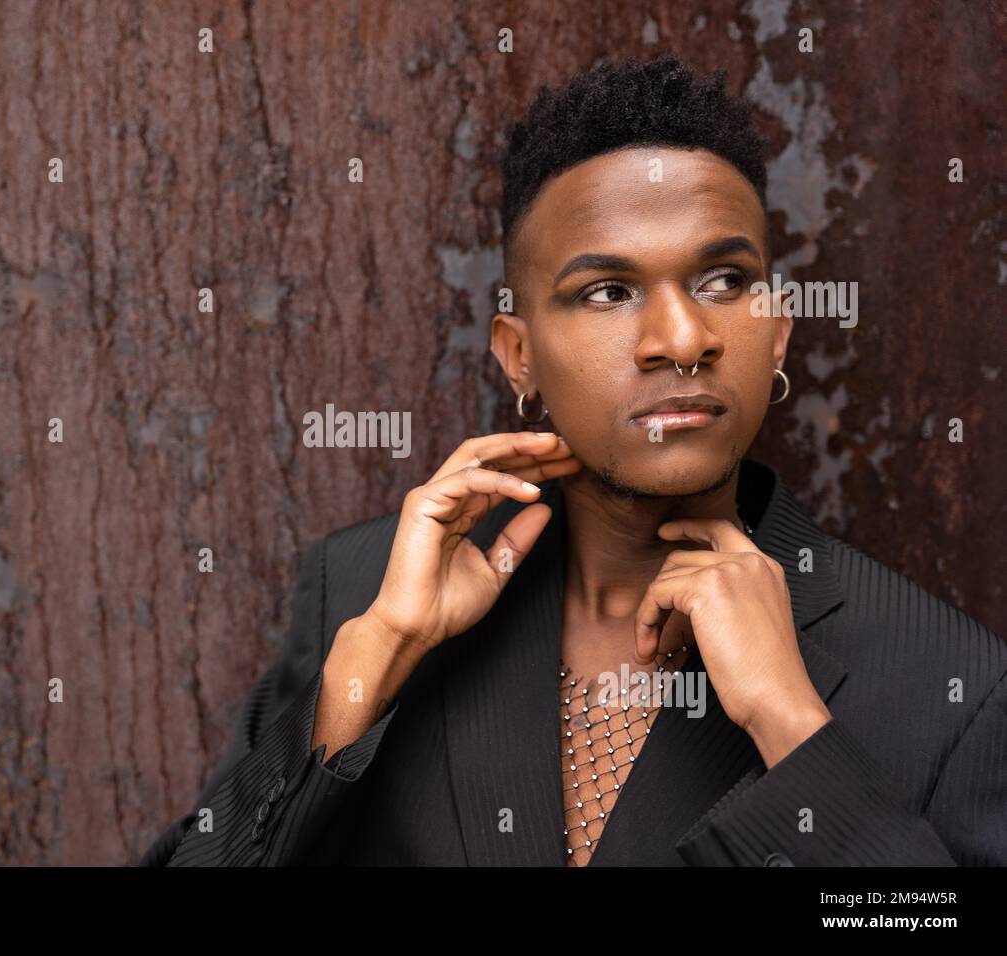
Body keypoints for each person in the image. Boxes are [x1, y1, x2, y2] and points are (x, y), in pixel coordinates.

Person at [140, 52, 1006, 866]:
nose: (682, 339)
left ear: (775, 330)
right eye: (607, 292)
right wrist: (376, 660)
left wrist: (789, 723)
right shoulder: (360, 592)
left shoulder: (950, 684)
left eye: (722, 281)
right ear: (518, 356)